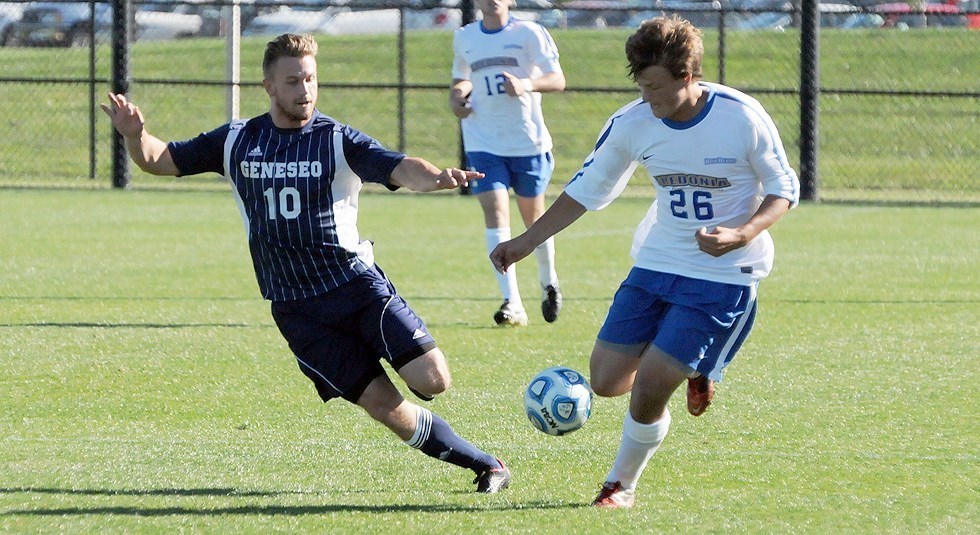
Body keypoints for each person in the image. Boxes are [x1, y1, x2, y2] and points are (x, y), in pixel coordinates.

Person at [102, 33, 511, 494]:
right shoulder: (237, 140)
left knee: (434, 380)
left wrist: (436, 176)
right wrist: (136, 136)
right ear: (269, 87)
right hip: (297, 310)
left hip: (356, 288)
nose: (305, 90)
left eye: (311, 79)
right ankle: (487, 465)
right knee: (385, 408)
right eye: (293, 81)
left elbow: (398, 166)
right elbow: (160, 160)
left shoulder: (336, 139)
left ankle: (403, 358)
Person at [490, 16, 800, 508]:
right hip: (655, 266)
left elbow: (785, 189)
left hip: (722, 275)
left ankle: (620, 486)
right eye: (642, 86)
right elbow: (584, 193)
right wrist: (528, 240)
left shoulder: (741, 117)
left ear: (688, 75)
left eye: (657, 88)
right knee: (606, 380)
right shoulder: (632, 122)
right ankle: (693, 365)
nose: (649, 99)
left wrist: (742, 232)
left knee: (649, 388)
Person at [449, 0, 566, 327]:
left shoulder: (530, 32)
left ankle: (548, 282)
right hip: (484, 141)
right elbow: (461, 78)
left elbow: (557, 79)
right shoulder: (465, 36)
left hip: (526, 141)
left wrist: (526, 84)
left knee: (534, 219)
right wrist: (457, 97)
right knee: (496, 211)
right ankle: (512, 303)